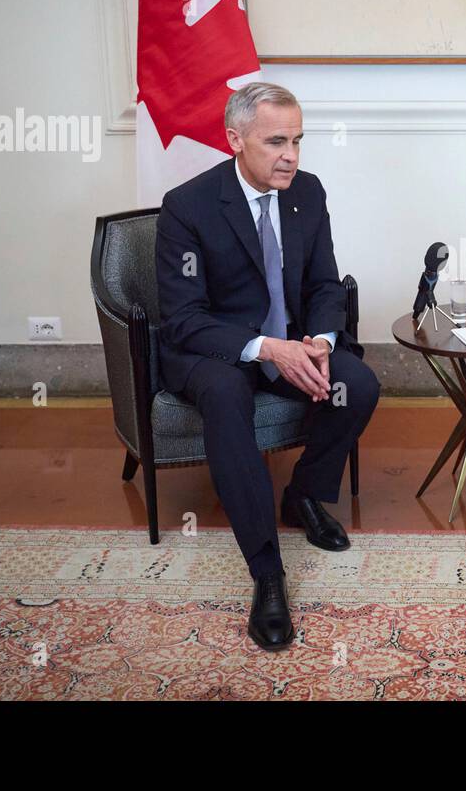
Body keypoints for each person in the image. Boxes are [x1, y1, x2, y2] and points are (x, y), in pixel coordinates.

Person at [155, 82, 379, 650]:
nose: (292, 156)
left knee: (359, 384)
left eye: (298, 141)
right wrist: (266, 347)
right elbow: (183, 318)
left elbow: (326, 284)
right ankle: (267, 571)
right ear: (235, 140)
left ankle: (302, 494)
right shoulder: (188, 207)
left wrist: (322, 342)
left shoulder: (308, 193)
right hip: (216, 349)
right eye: (276, 141)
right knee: (228, 397)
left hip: (293, 341)